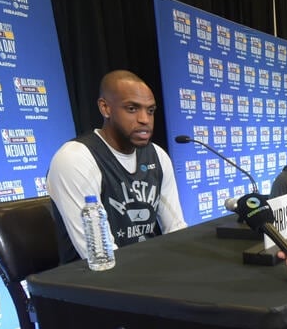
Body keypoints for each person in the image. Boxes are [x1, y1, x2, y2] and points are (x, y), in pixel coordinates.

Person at [48, 70, 186, 263]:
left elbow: (176, 229)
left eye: (151, 111)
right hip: (91, 284)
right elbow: (99, 256)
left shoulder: (158, 155)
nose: (144, 119)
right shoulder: (75, 158)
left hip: (149, 271)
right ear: (105, 108)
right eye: (131, 109)